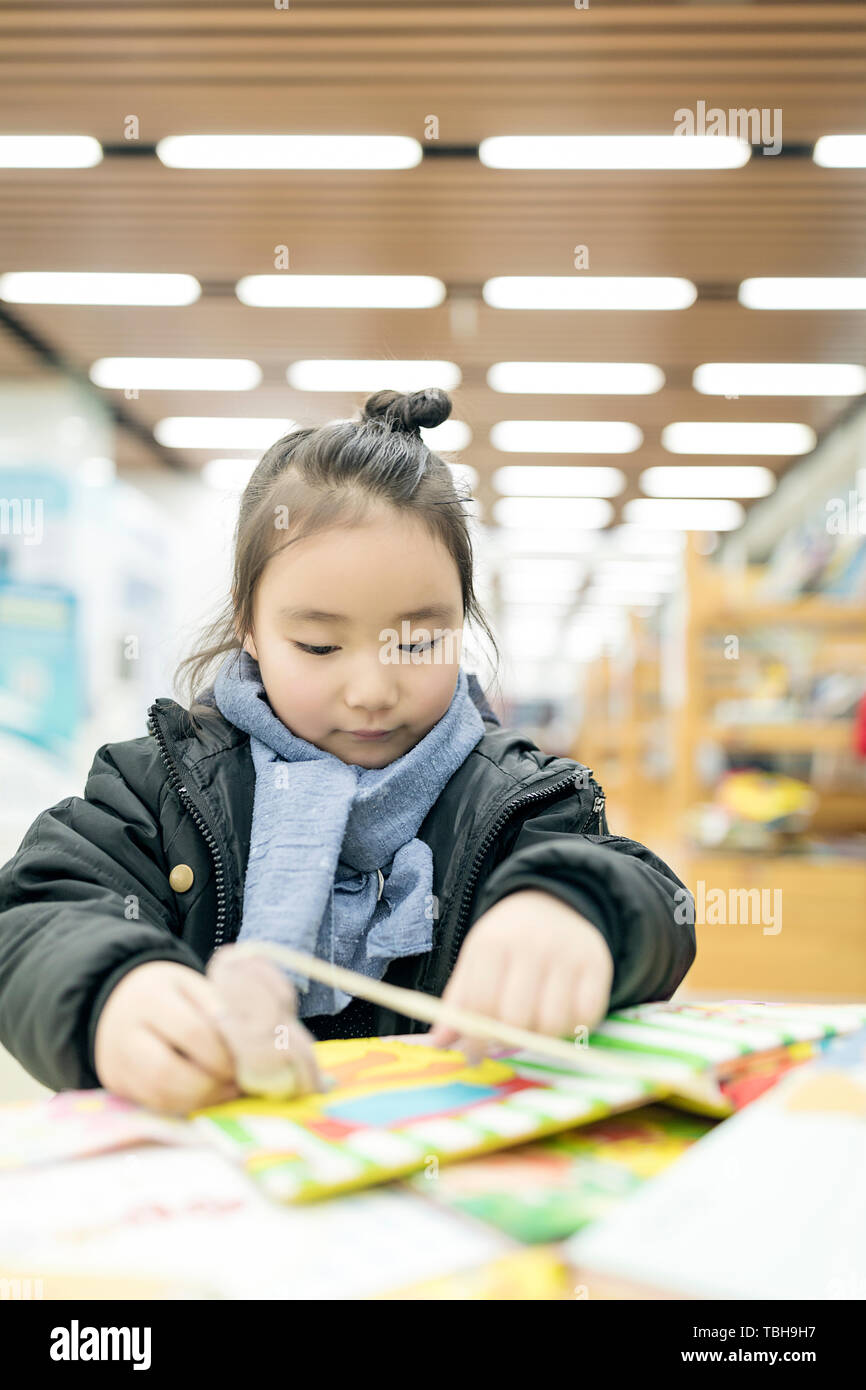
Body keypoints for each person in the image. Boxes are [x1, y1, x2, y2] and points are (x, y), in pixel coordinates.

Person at [0, 388, 695, 1115]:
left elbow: (661, 902)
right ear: (249, 624)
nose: (371, 690)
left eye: (419, 642)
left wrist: (576, 906)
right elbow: (39, 910)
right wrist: (115, 988)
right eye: (320, 645)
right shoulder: (158, 785)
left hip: (446, 1189)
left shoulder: (516, 796)